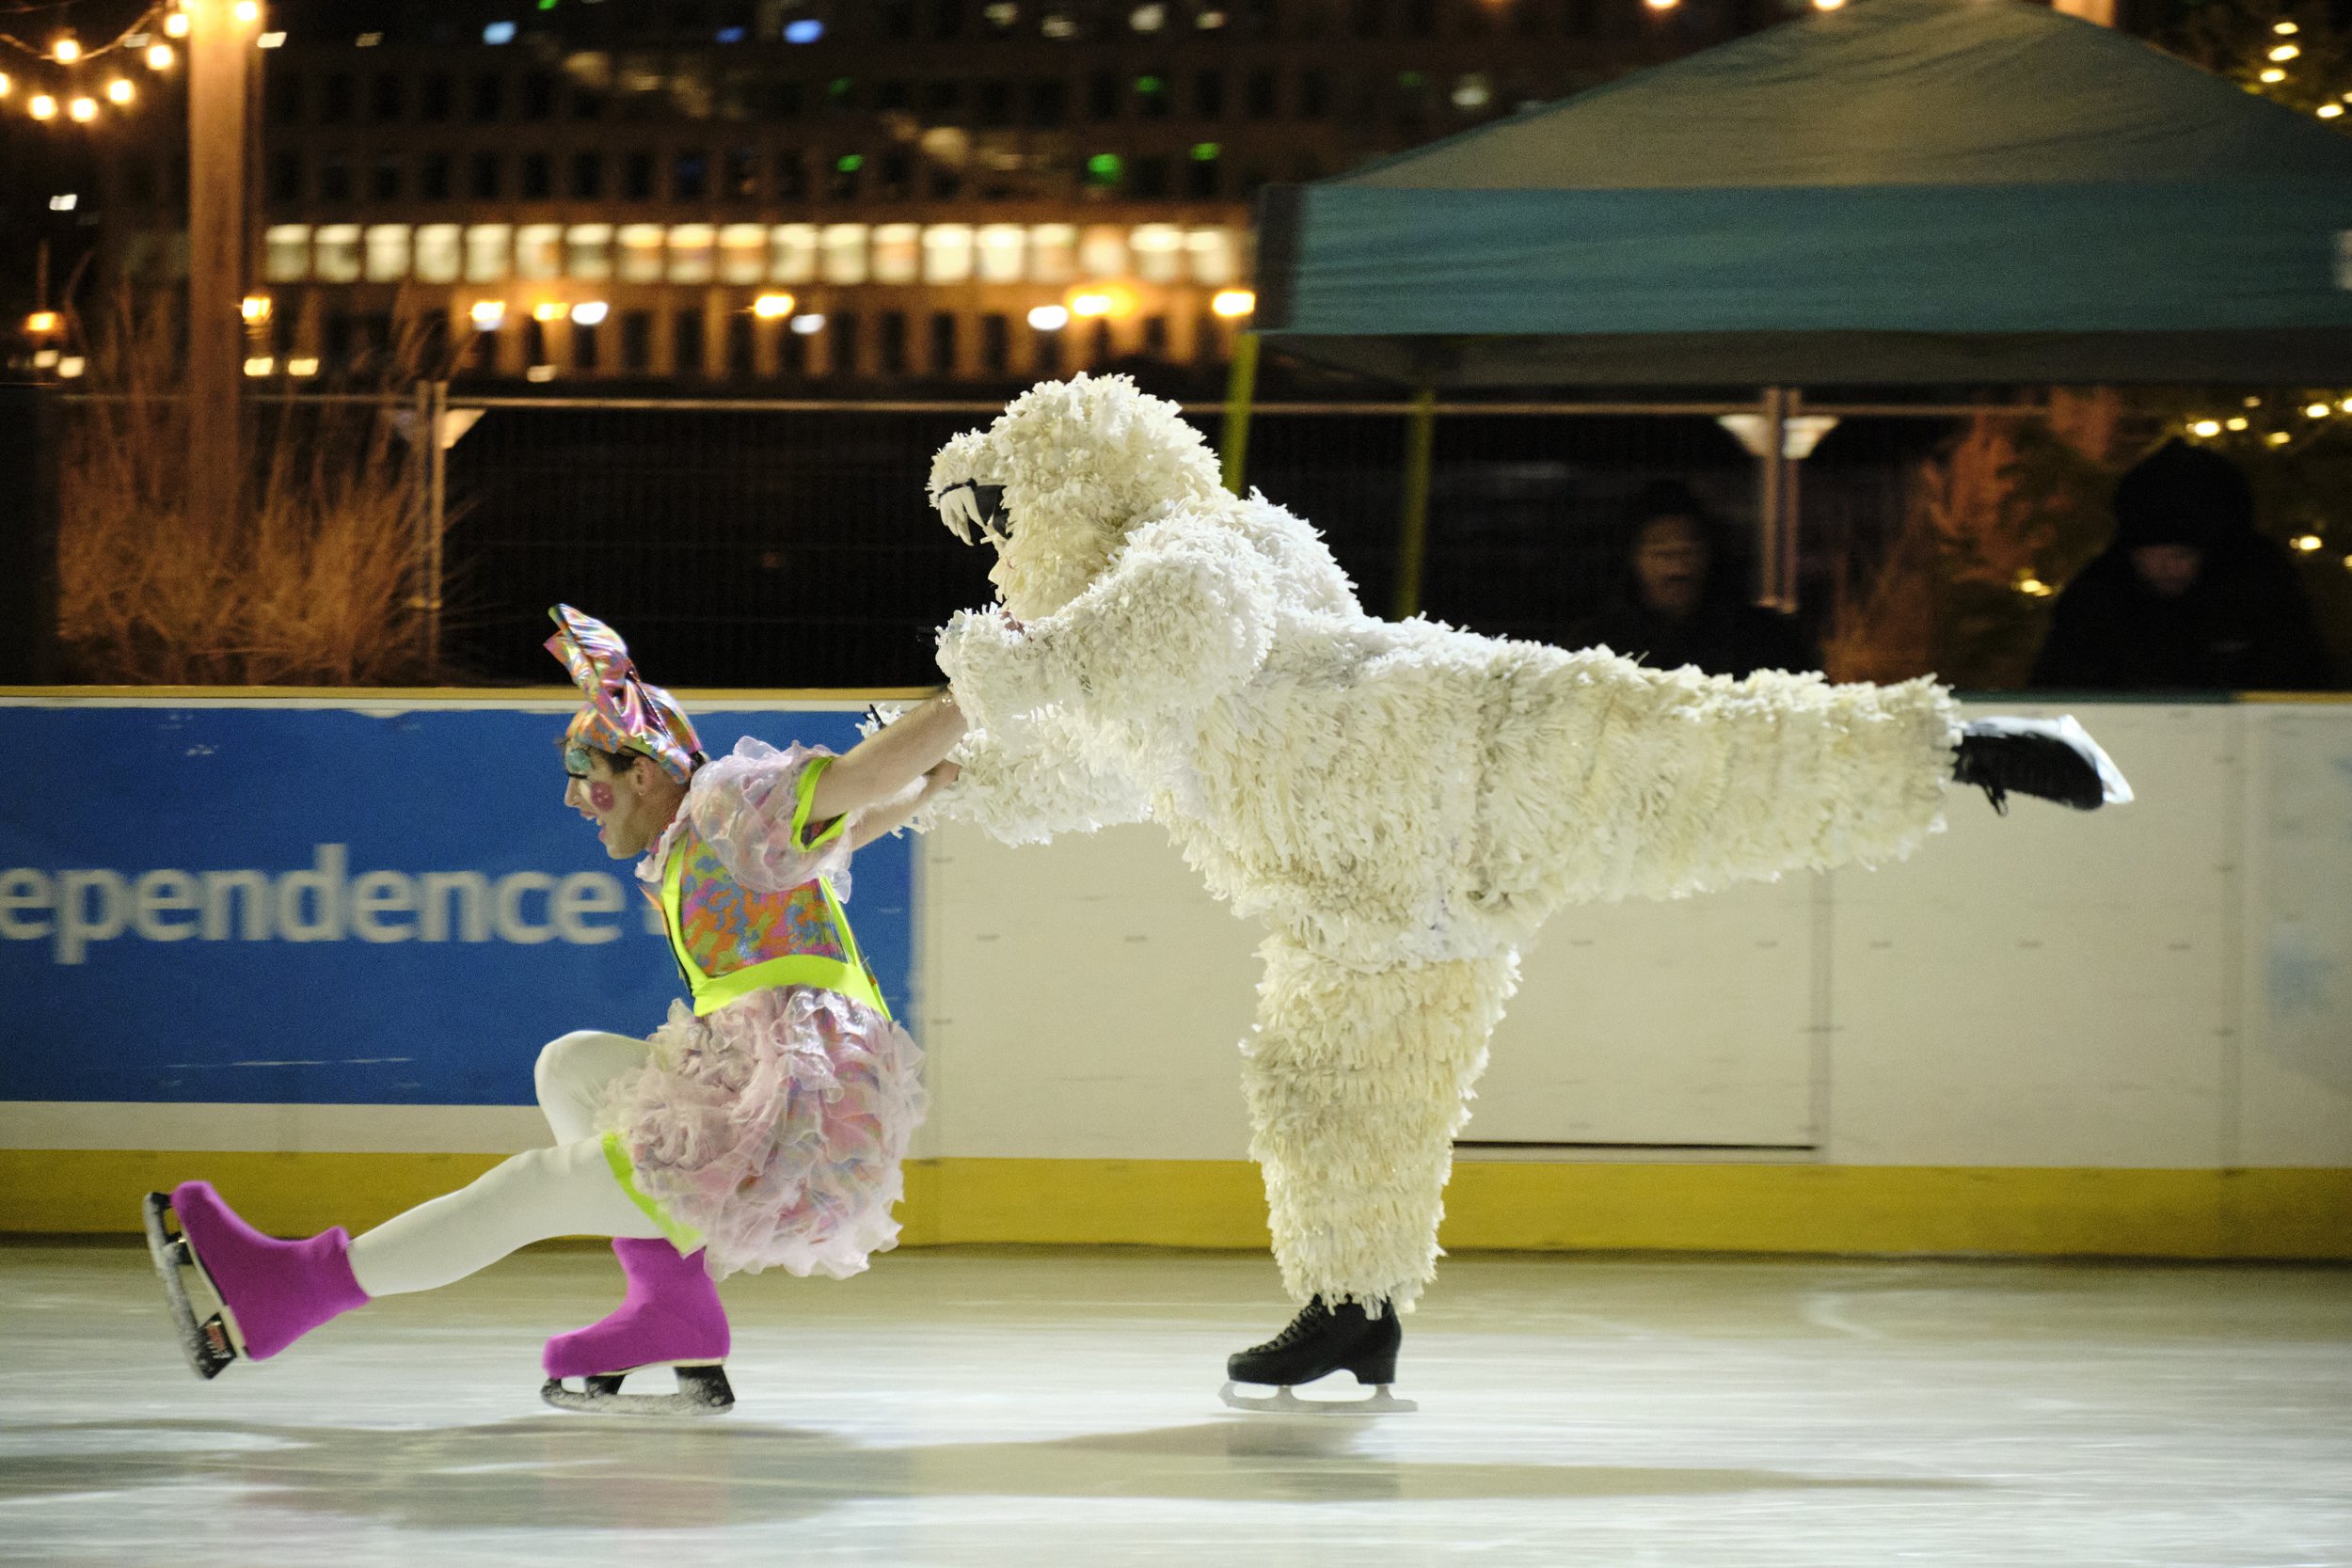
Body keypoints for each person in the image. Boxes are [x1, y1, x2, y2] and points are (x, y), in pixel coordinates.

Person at [918, 374, 2131, 1411]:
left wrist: (1001, 671)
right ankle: (1353, 1302)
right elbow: (1103, 753)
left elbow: (1178, 634)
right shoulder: (1162, 594)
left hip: (1475, 757)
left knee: (1699, 758)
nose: (1007, 562)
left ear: (1072, 489)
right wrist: (947, 774)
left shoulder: (1193, 547)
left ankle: (1956, 749)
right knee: (1326, 1088)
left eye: (1010, 524)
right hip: (1377, 893)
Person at [142, 606, 966, 1414]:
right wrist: (939, 784)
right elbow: (857, 823)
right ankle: (672, 1305)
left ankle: (294, 1290)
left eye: (588, 779)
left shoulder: (723, 802)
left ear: (641, 772)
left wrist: (973, 698)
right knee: (571, 1066)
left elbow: (858, 781)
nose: (576, 801)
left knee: (539, 1185)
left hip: (802, 1116)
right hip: (780, 1089)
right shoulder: (705, 840)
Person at [2032, 438, 2335, 691]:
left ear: (2214, 554)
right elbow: (2062, 687)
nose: (2166, 568)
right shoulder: (2099, 600)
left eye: (2181, 555)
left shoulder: (2260, 594)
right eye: (2150, 555)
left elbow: (2301, 685)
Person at [1564, 481, 1820, 678]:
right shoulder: (1595, 645)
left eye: (1689, 550)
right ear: (1633, 559)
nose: (1677, 564)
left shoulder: (1763, 637)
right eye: (1661, 552)